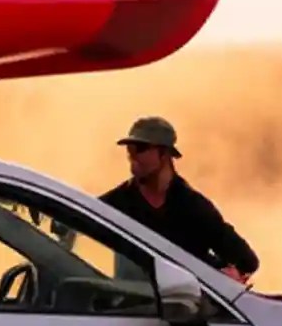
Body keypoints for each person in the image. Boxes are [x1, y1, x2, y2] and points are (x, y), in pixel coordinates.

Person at [100, 116, 259, 284]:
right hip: (132, 305)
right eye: (129, 150)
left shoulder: (193, 207)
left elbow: (247, 261)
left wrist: (228, 275)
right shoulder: (117, 203)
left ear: (164, 154)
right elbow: (76, 224)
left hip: (185, 306)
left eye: (140, 148)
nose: (133, 156)